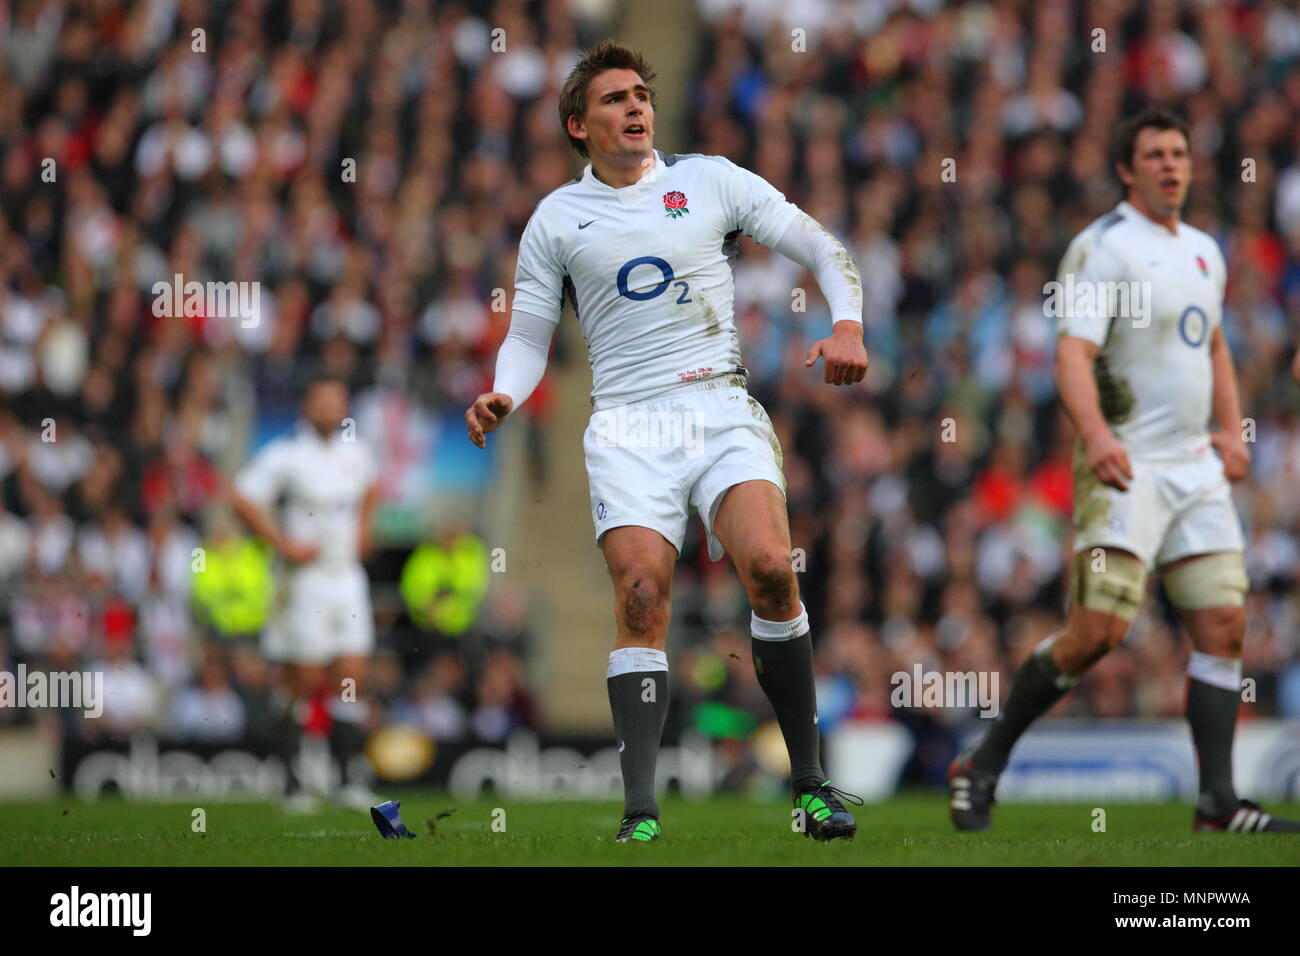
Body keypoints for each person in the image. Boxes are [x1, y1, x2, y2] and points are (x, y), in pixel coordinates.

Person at [465, 41, 869, 842]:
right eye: (616, 99)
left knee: (769, 574)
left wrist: (848, 323)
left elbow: (822, 244)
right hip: (626, 423)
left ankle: (812, 787)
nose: (638, 106)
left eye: (643, 93)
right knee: (643, 597)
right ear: (580, 125)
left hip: (718, 403)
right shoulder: (557, 219)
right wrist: (506, 392)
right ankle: (642, 813)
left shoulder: (710, 178)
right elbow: (529, 332)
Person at [949, 107, 1299, 834]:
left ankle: (1217, 803)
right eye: (1156, 154)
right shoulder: (1100, 248)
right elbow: (1072, 354)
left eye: (1180, 152)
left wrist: (1231, 432)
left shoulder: (1206, 249)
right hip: (1126, 462)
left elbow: (1216, 347)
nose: (1172, 164)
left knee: (1225, 623)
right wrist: (1098, 436)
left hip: (1194, 464)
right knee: (1099, 633)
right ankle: (986, 759)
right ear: (1126, 168)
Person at [232, 375, 381, 812]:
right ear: (307, 406)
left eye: (338, 400)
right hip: (306, 580)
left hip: (347, 576)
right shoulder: (286, 455)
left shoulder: (357, 451)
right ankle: (292, 781)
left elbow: (371, 488)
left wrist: (365, 530)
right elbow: (241, 498)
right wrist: (282, 545)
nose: (332, 408)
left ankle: (346, 779)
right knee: (304, 680)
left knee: (352, 674)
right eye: (323, 400)